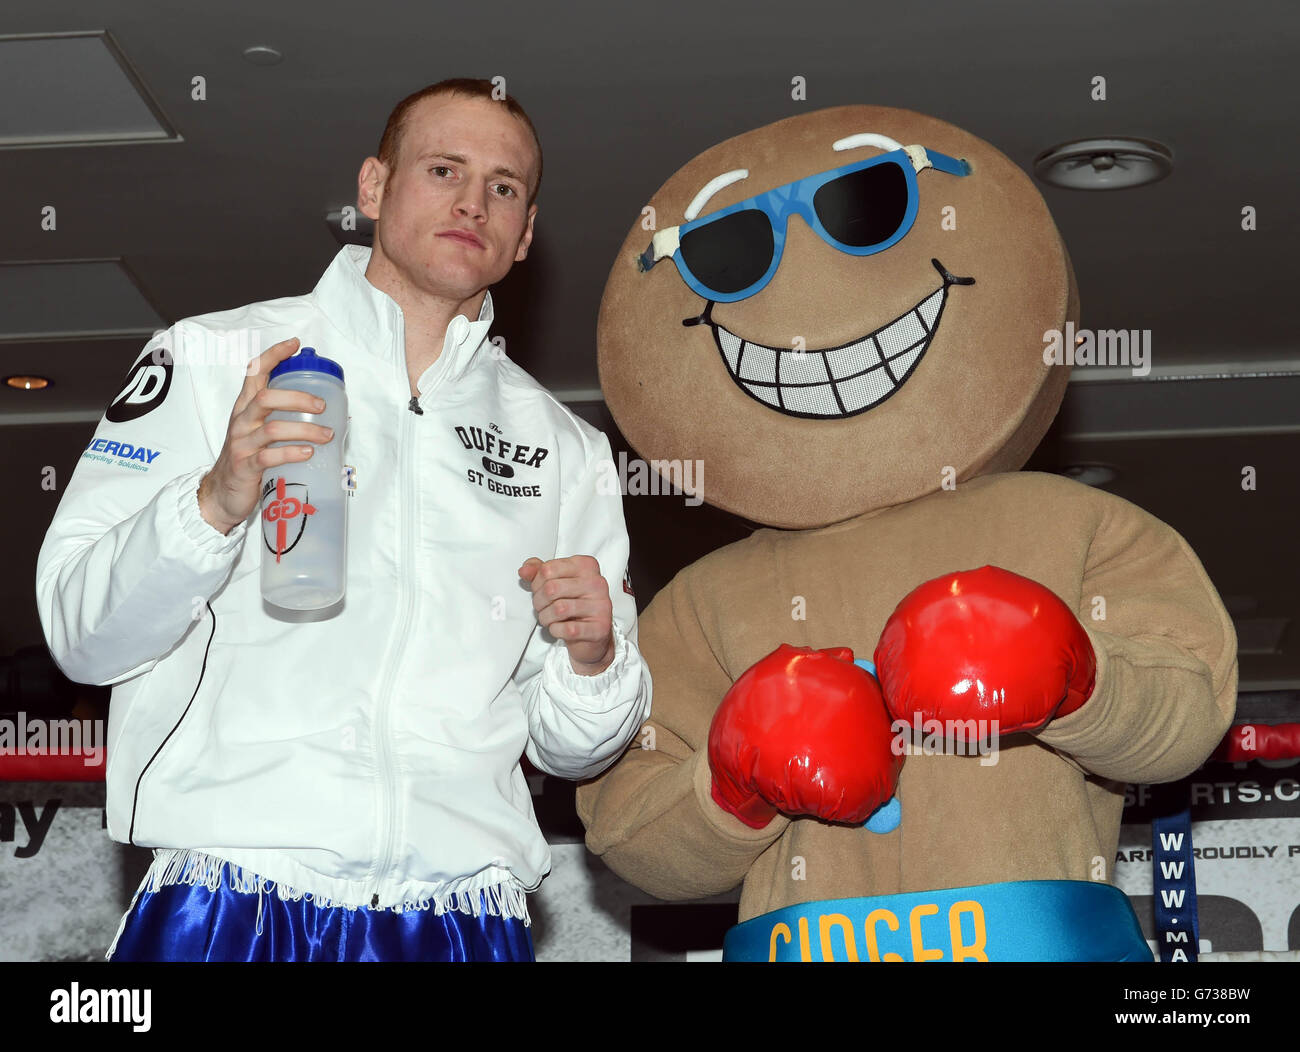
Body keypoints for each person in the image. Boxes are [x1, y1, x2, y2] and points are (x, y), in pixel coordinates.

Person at [35, 78, 651, 962]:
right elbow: (79, 637)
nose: (474, 202)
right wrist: (215, 501)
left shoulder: (566, 448)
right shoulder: (214, 359)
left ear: (523, 237)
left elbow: (572, 750)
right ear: (373, 188)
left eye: (504, 188)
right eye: (444, 169)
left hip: (464, 918)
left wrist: (594, 662)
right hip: (234, 896)